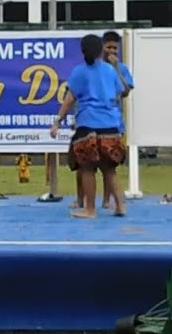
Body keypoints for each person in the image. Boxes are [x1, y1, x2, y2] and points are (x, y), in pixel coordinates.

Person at [50, 34, 127, 218]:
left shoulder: (79, 72)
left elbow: (70, 99)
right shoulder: (110, 71)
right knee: (109, 169)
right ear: (101, 50)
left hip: (87, 124)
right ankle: (120, 206)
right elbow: (121, 91)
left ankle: (90, 209)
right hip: (110, 125)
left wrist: (57, 121)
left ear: (83, 51)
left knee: (87, 168)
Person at [91, 31, 133, 211]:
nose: (111, 51)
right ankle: (84, 199)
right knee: (90, 164)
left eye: (115, 48)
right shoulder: (93, 68)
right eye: (108, 47)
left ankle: (108, 200)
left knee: (109, 165)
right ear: (102, 48)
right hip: (94, 121)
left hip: (114, 122)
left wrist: (116, 69)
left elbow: (126, 91)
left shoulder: (121, 68)